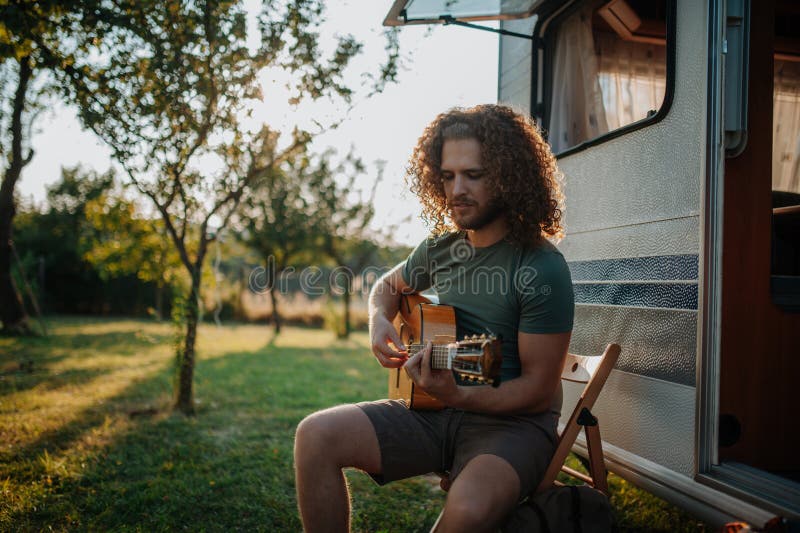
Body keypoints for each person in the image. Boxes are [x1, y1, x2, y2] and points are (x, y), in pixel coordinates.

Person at [294, 104, 574, 533]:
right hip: (434, 410)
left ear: (510, 174)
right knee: (315, 435)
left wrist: (459, 396)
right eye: (447, 176)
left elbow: (537, 393)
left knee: (467, 512)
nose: (456, 189)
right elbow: (385, 287)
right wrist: (378, 320)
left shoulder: (541, 266)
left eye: (473, 175)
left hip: (512, 429)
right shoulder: (440, 250)